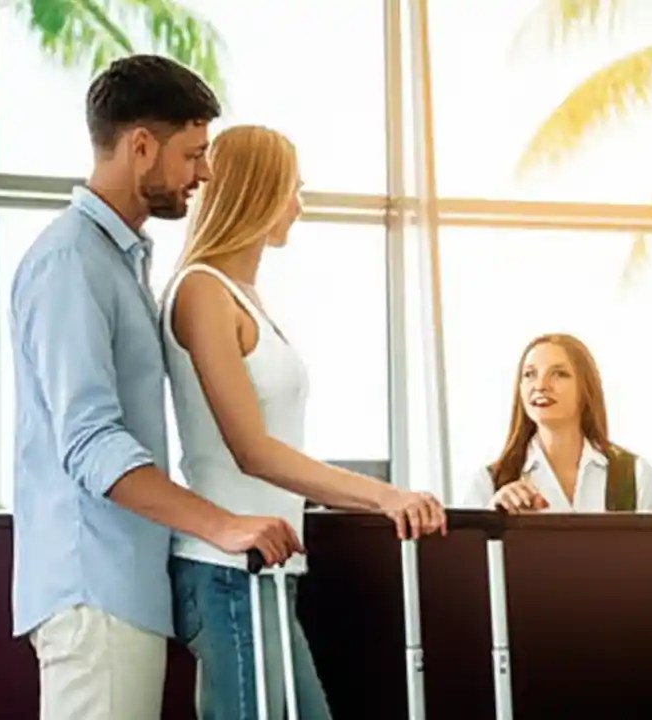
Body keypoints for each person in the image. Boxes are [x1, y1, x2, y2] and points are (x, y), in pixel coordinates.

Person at [8, 57, 304, 720]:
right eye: (193, 154)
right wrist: (223, 524)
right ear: (141, 146)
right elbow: (91, 444)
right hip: (93, 592)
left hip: (126, 590)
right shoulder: (70, 263)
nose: (203, 174)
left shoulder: (121, 261)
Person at [160, 124, 448, 720]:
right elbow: (252, 450)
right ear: (259, 191)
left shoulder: (242, 296)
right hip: (226, 574)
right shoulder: (201, 291)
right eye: (293, 187)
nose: (298, 203)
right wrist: (383, 496)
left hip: (267, 572)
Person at [458, 333, 652, 513]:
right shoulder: (489, 483)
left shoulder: (635, 476)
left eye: (559, 374)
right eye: (529, 374)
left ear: (586, 389)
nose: (540, 385)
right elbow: (471, 556)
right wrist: (494, 519)